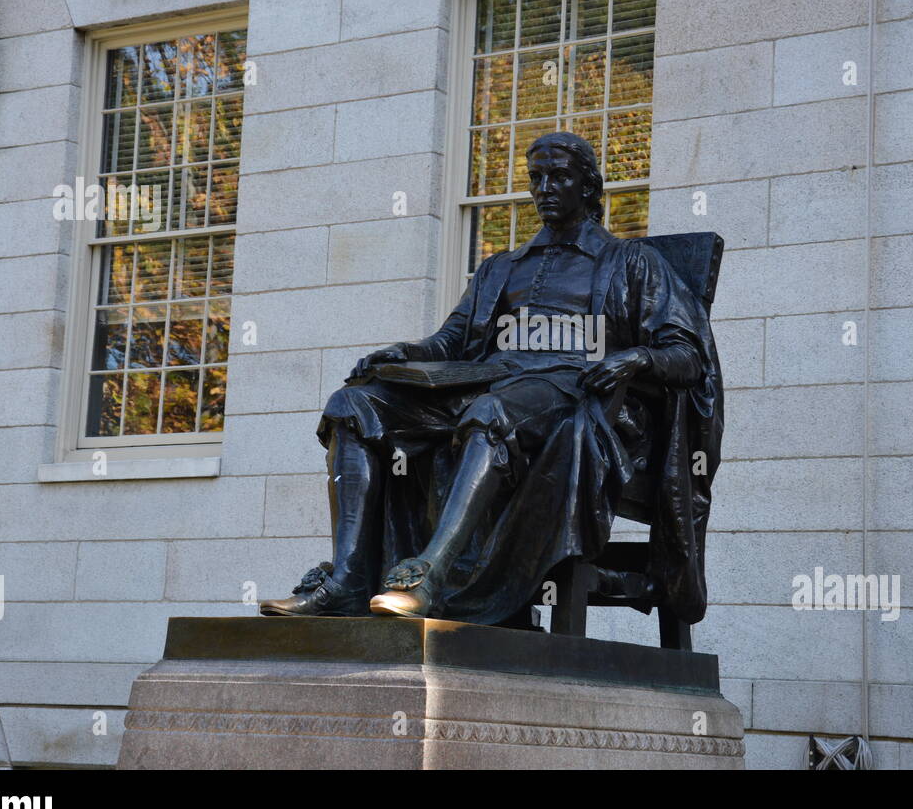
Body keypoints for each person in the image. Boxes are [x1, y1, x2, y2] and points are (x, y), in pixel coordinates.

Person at [259, 132, 722, 625]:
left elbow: (688, 354)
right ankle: (349, 581)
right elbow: (452, 341)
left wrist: (633, 360)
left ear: (588, 188)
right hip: (489, 384)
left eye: (559, 177)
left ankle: (429, 578)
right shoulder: (501, 267)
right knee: (353, 405)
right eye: (537, 178)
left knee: (491, 412)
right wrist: (405, 352)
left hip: (577, 397)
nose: (545, 188)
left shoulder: (633, 262)